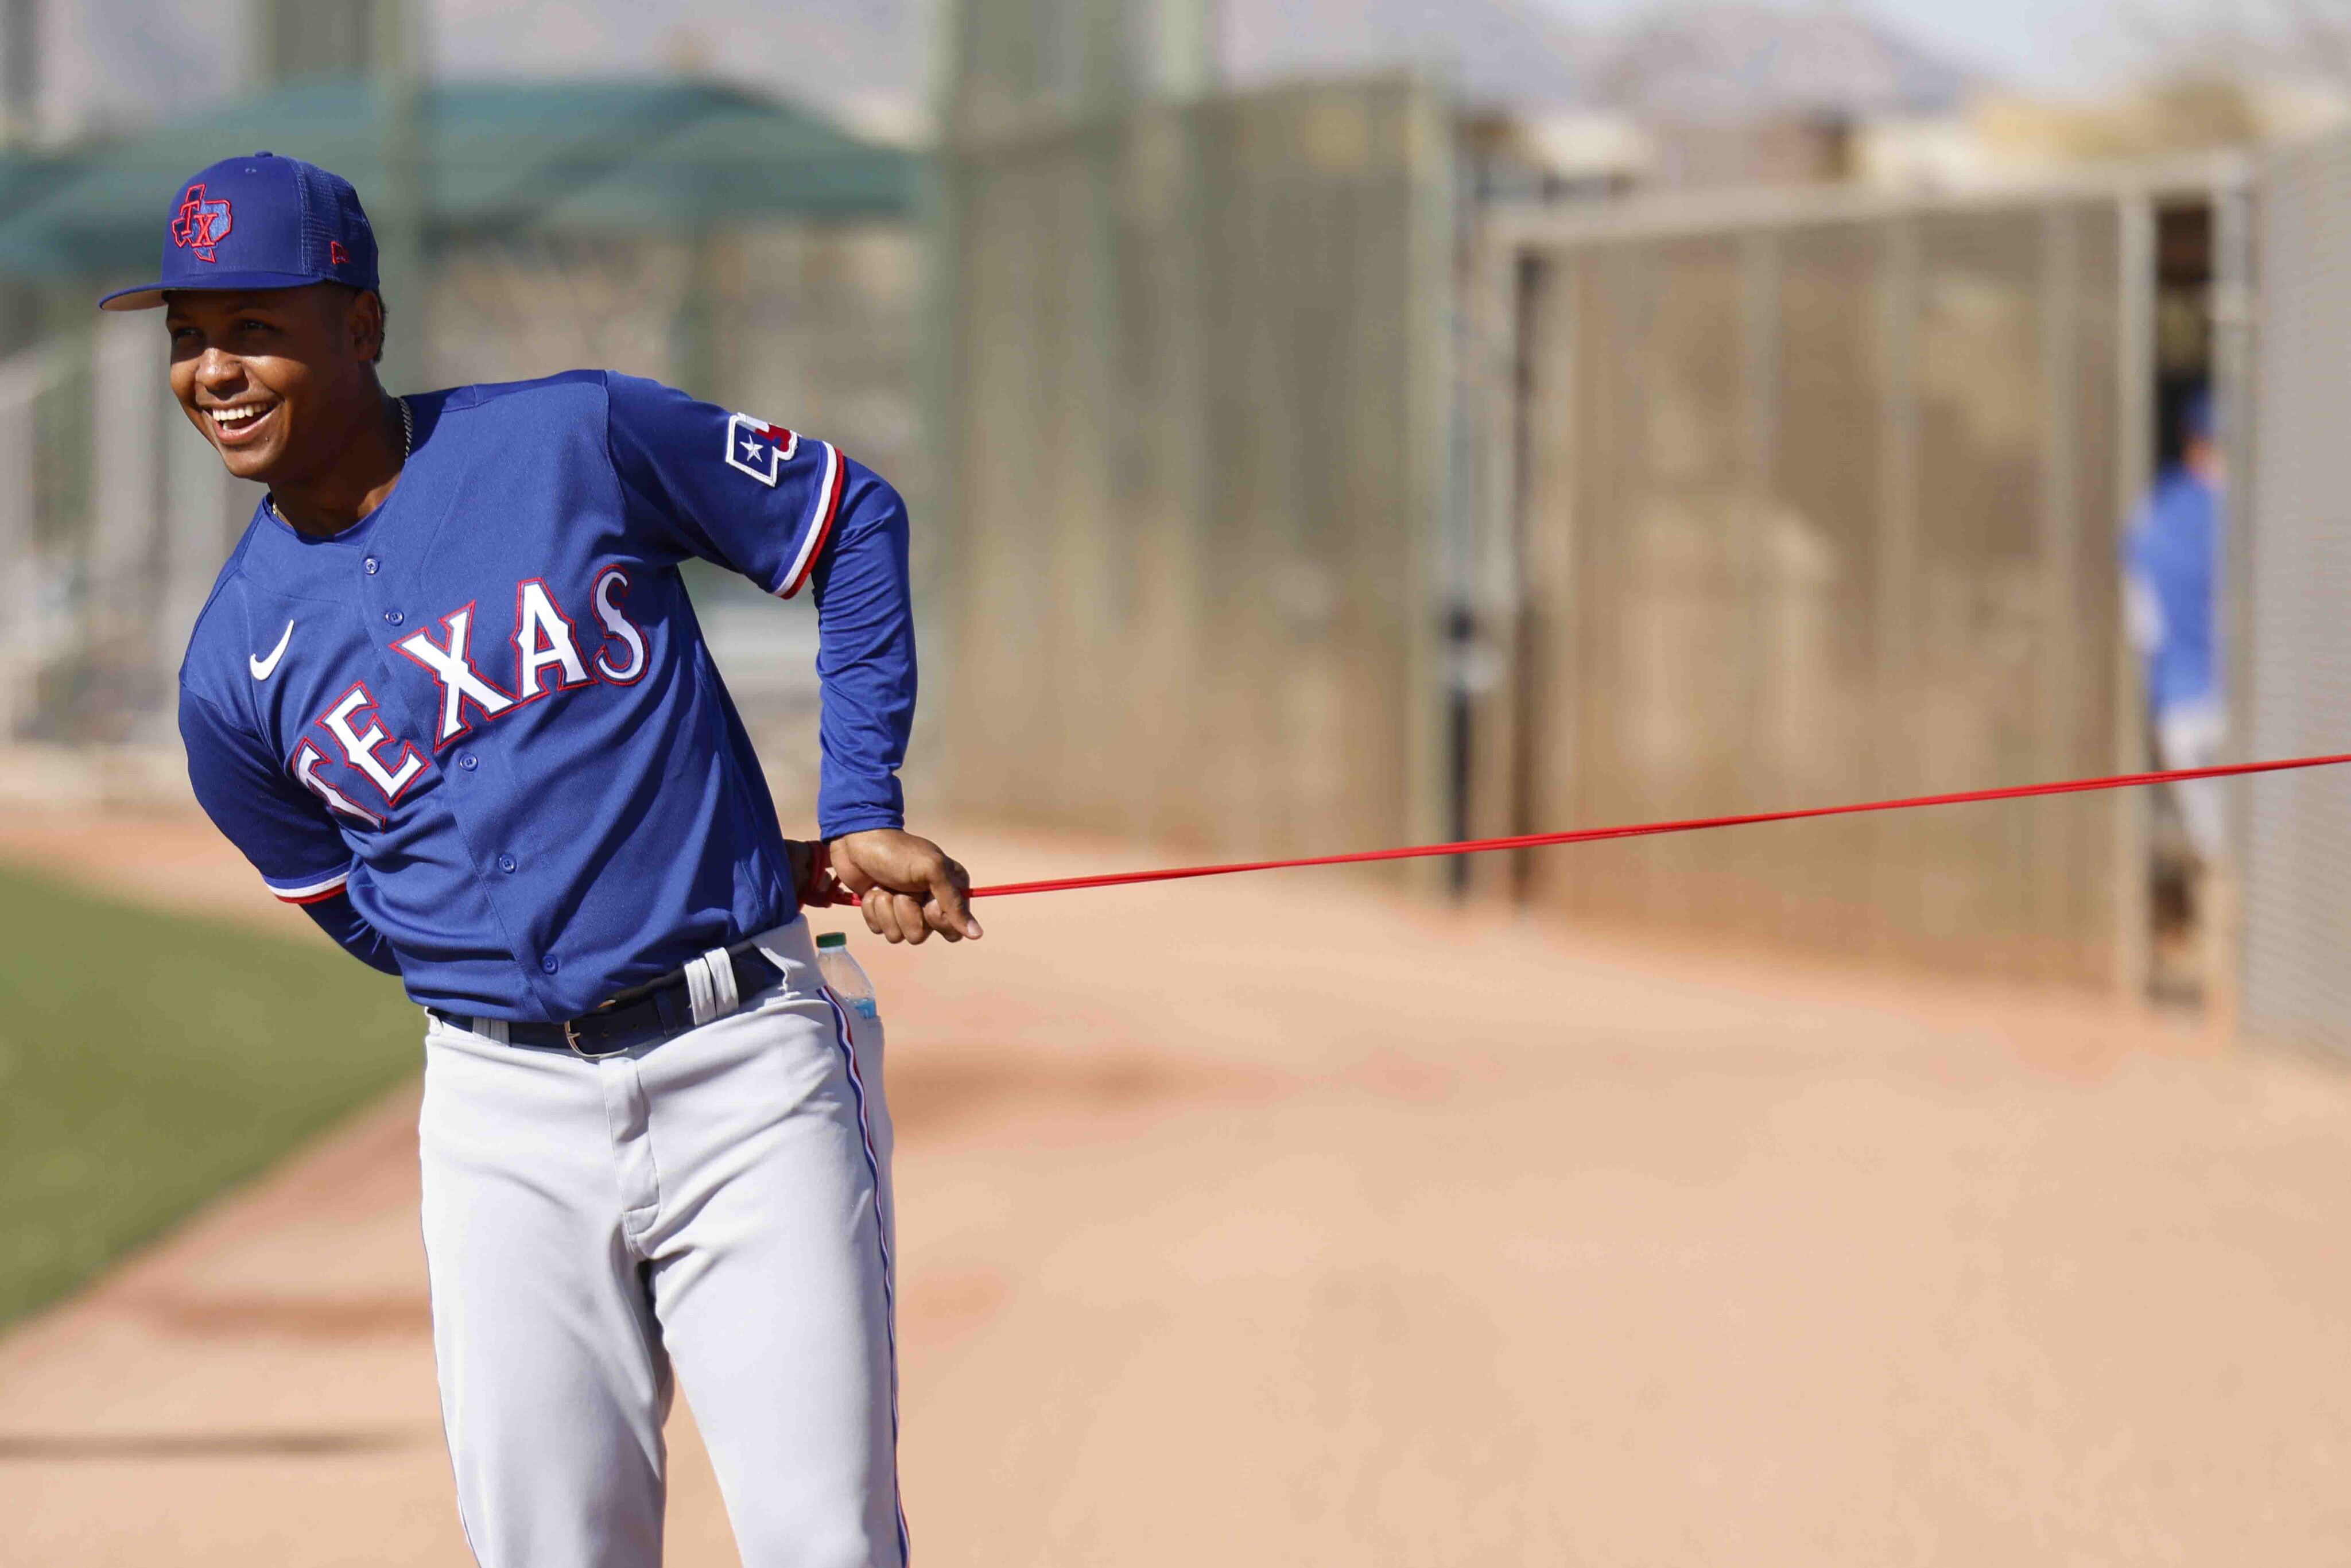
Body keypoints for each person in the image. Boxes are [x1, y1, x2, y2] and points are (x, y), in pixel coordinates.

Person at [102, 152, 975, 1567]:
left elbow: (849, 518)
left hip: (746, 1068)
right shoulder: (228, 677)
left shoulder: (575, 437)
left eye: (255, 326)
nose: (216, 371)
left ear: (362, 325)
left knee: (826, 1539)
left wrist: (856, 800)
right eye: (189, 337)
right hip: (502, 1119)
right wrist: (585, 911)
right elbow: (375, 915)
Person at [2124, 386, 2226, 867]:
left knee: (2221, 853)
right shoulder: (2252, 513)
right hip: (2248, 707)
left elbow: (2143, 629)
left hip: (2180, 703)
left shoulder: (2152, 515)